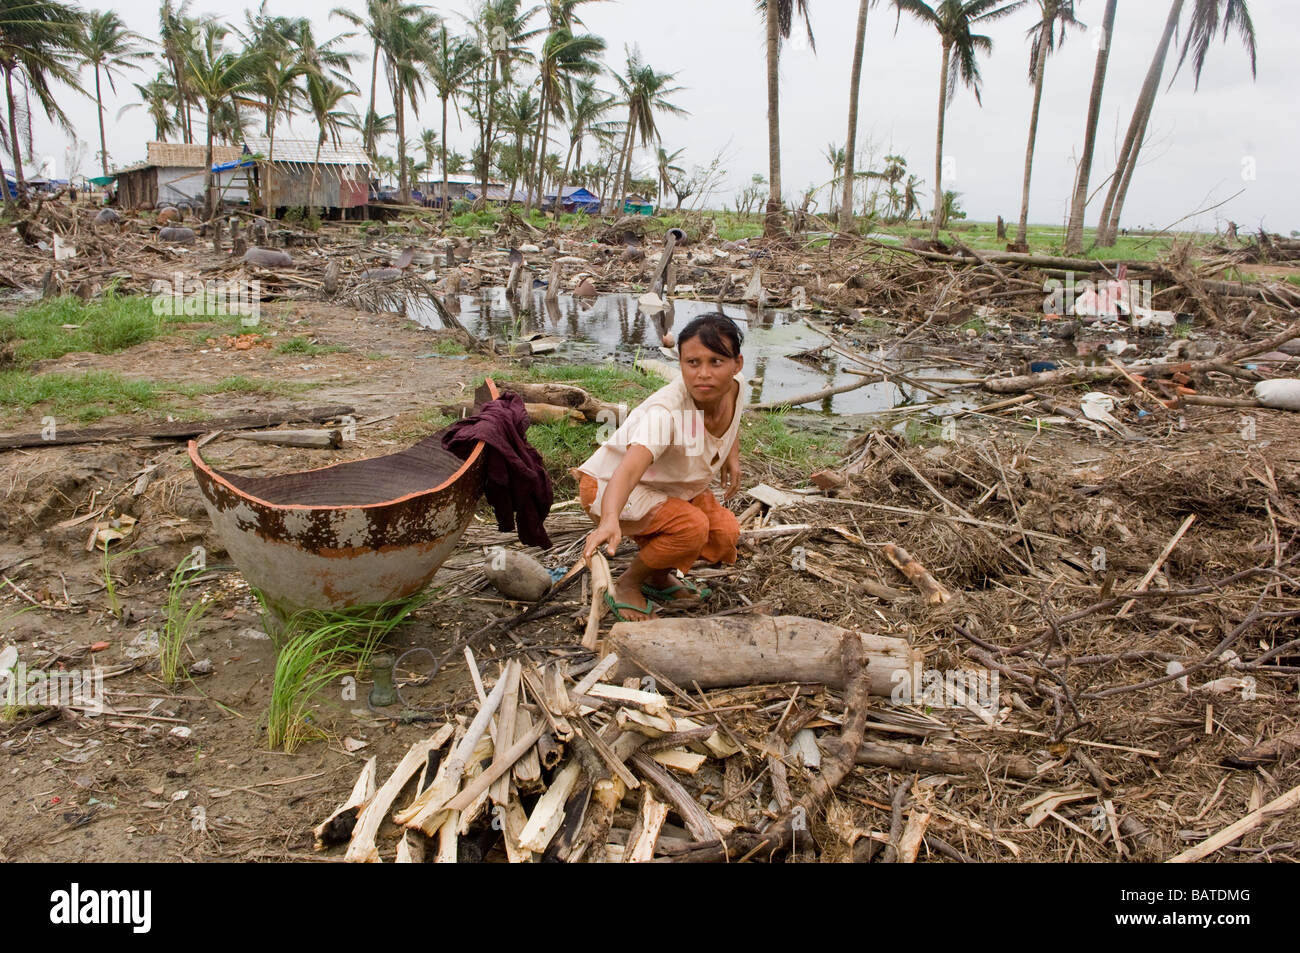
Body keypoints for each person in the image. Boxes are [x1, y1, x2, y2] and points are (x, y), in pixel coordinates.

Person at [578, 312, 746, 621]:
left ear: (737, 364)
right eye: (692, 363)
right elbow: (627, 471)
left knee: (724, 533)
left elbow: (731, 417)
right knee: (692, 528)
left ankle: (658, 575)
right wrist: (609, 519)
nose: (703, 374)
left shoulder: (736, 388)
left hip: (669, 483)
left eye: (716, 362)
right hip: (608, 486)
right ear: (680, 363)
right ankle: (629, 584)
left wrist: (731, 455)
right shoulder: (665, 414)